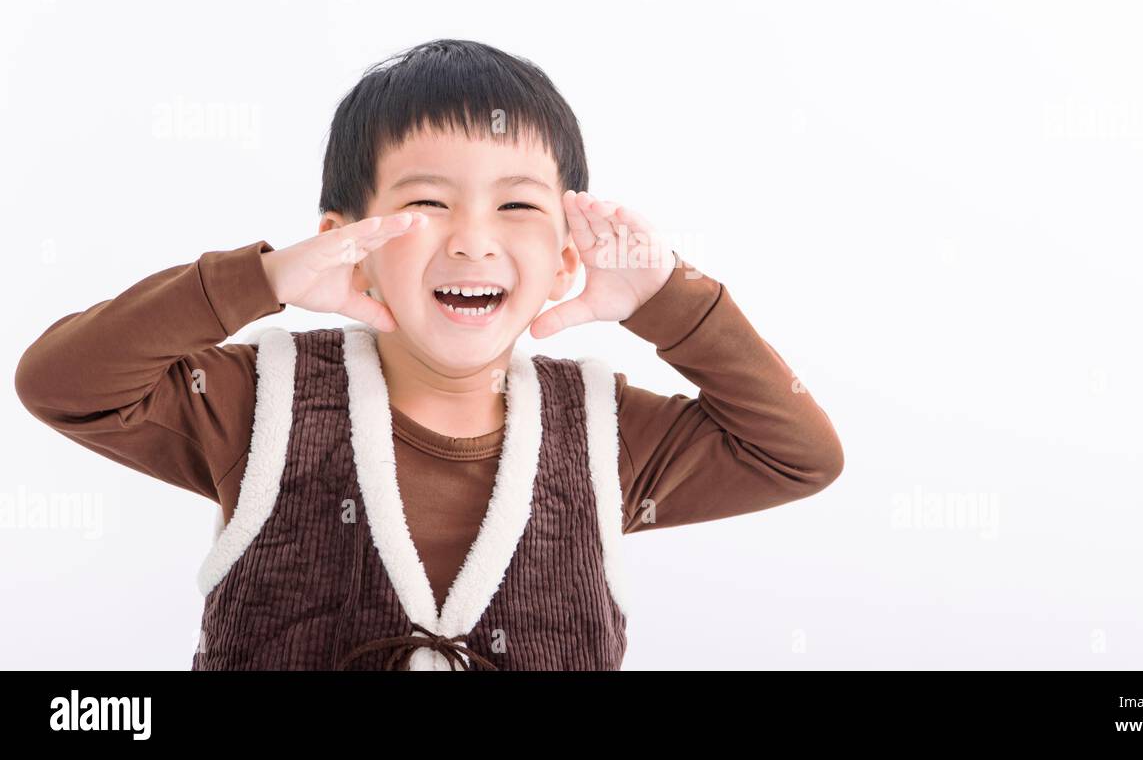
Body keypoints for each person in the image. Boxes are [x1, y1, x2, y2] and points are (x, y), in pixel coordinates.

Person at [14, 39, 844, 670]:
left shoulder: (604, 434)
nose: (473, 241)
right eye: (427, 203)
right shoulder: (258, 404)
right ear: (349, 245)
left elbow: (796, 455)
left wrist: (670, 302)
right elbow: (62, 383)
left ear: (564, 256)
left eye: (517, 204)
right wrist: (258, 280)